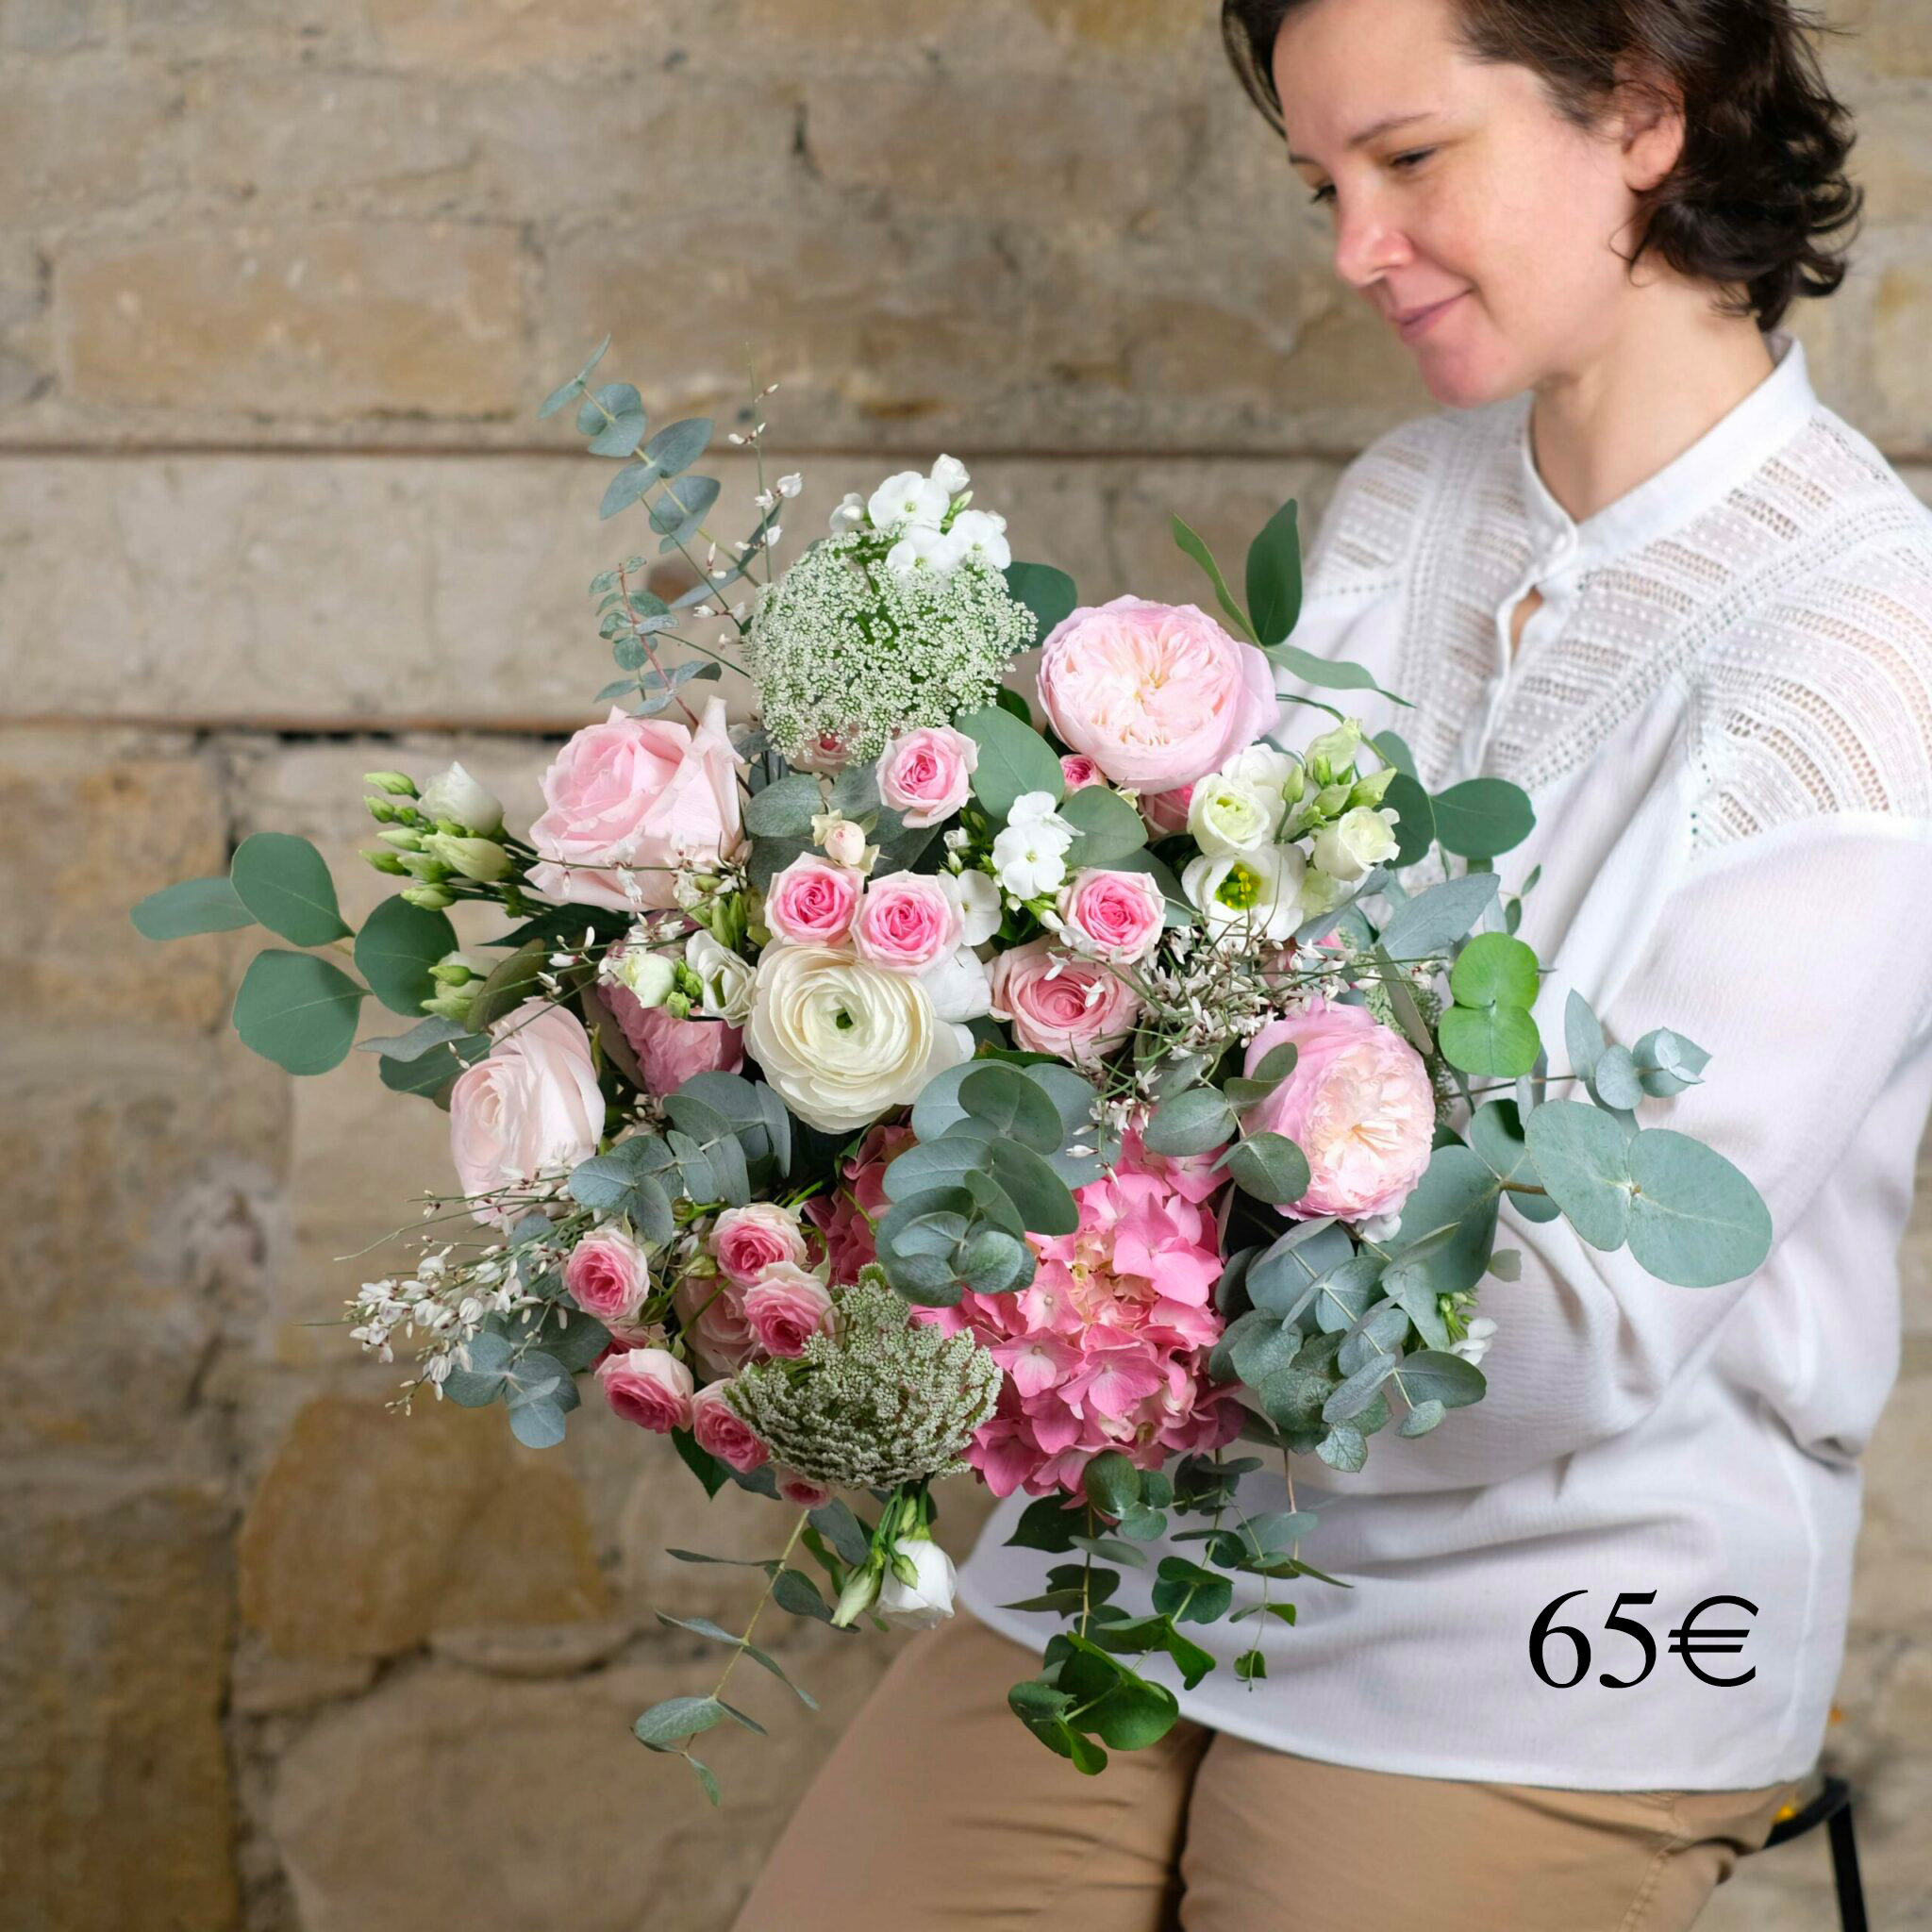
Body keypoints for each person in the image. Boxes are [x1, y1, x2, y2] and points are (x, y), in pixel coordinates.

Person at [732, 0, 1932, 1924]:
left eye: (1408, 160)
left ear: (1639, 109)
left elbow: (1566, 1331)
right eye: (1320, 182)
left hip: (1570, 1623)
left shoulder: (1865, 654)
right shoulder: (1402, 506)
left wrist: (1075, 1279)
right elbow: (1148, 994)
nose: (1349, 249)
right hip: (1142, 1544)